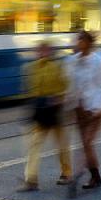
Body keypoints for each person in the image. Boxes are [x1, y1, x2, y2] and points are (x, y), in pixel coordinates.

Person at [67, 30, 101, 195]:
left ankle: (77, 175)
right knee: (86, 145)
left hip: (96, 109)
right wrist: (69, 104)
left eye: (80, 40)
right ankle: (96, 177)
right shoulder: (73, 61)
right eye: (77, 41)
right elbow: (71, 85)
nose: (76, 43)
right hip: (80, 109)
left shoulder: (99, 60)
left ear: (88, 42)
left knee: (87, 142)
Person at [17, 40, 72, 192]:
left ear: (50, 52)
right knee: (48, 145)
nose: (41, 53)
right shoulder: (35, 67)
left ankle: (62, 174)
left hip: (51, 112)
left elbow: (65, 88)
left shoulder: (48, 67)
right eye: (40, 50)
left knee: (58, 145)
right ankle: (32, 179)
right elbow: (65, 88)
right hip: (47, 112)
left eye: (44, 50)